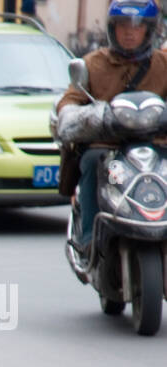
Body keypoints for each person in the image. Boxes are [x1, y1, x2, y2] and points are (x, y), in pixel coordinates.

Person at [55, 0, 167, 260]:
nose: (129, 32)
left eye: (136, 27)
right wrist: (97, 117)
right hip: (110, 152)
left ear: (149, 30)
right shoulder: (93, 64)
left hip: (157, 149)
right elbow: (68, 107)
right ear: (111, 29)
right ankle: (89, 241)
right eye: (122, 26)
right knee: (94, 162)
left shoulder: (163, 64)